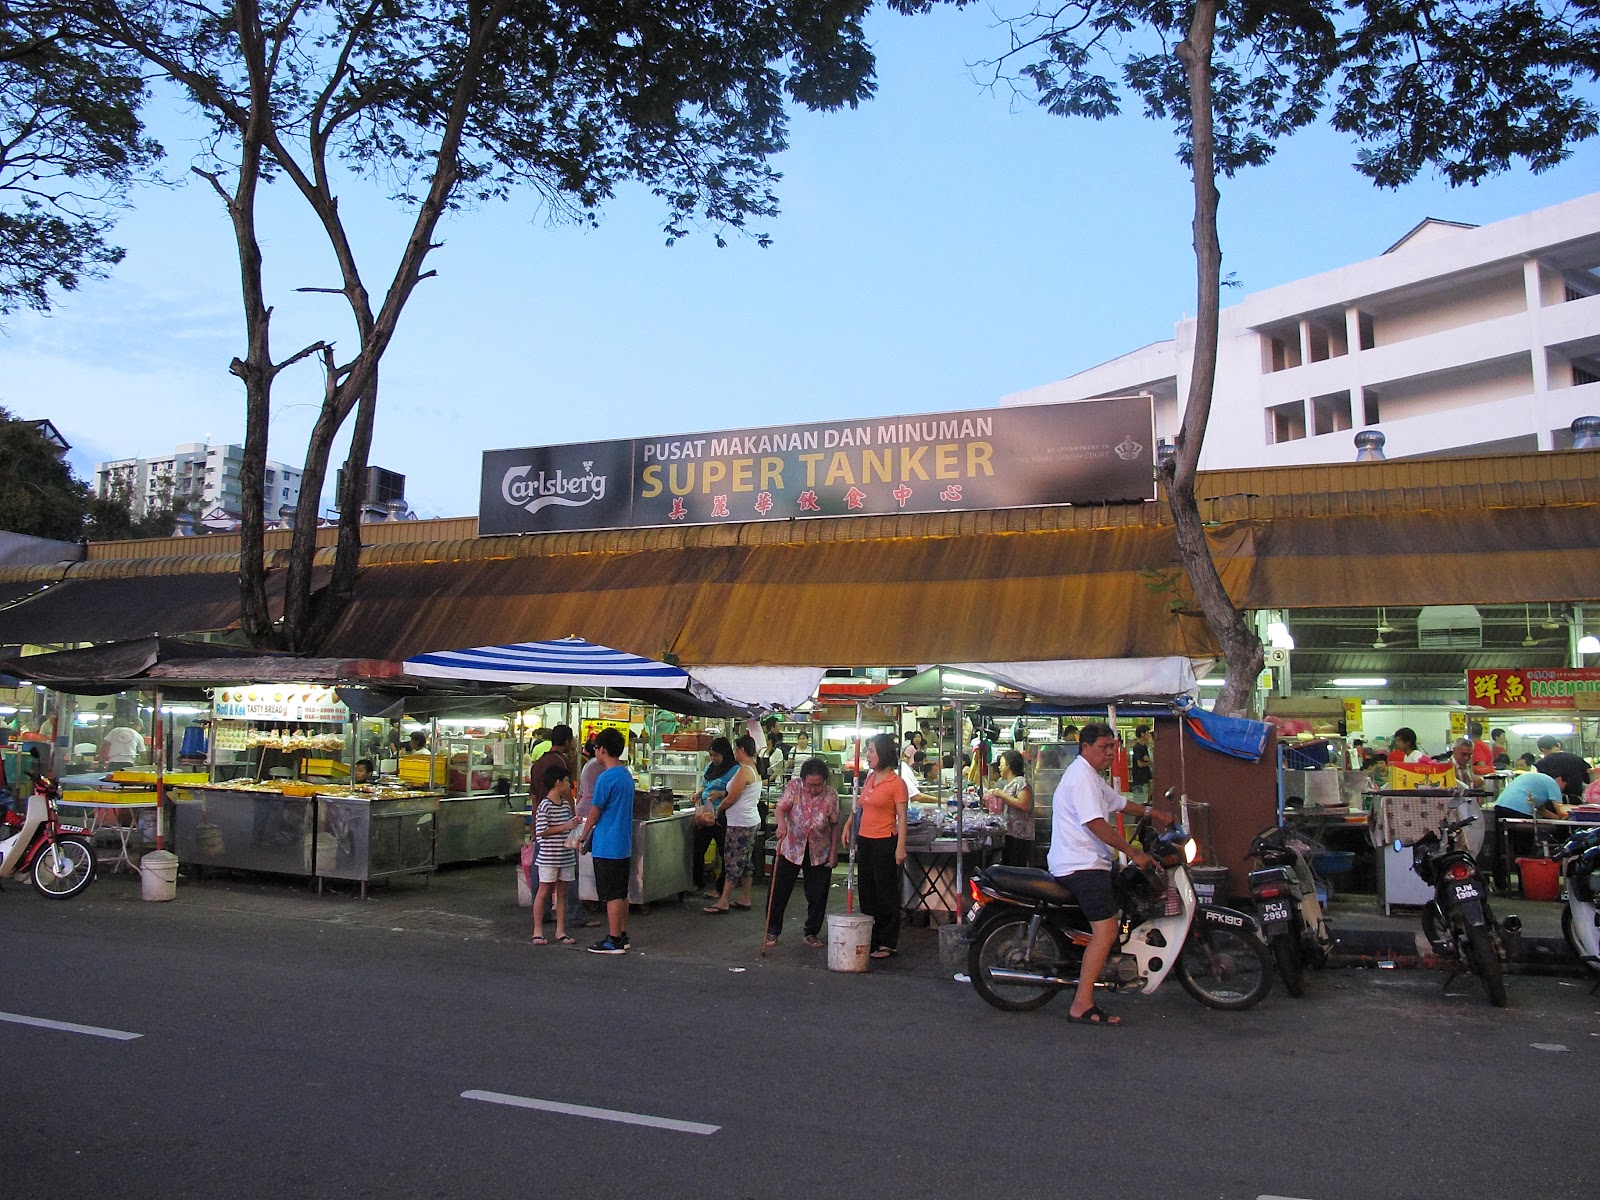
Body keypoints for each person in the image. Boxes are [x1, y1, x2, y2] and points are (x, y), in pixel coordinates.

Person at [1048, 722, 1158, 1026]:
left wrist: (1155, 813)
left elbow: (1119, 803)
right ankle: (1081, 1004)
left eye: (1112, 747)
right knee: (1107, 931)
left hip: (1089, 862)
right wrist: (1133, 851)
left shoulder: (1092, 778)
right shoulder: (1081, 777)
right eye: (1103, 747)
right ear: (1085, 747)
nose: (1110, 752)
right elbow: (1096, 823)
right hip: (1080, 865)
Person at [840, 732, 908, 960]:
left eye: (871, 751)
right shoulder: (870, 778)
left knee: (885, 892)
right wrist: (849, 825)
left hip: (884, 842)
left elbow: (902, 818)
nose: (867, 755)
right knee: (866, 891)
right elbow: (860, 806)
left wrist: (900, 847)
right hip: (865, 840)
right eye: (868, 751)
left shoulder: (896, 784)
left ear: (883, 754)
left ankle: (888, 942)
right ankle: (871, 938)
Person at [766, 757, 839, 949]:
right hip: (791, 846)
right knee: (779, 890)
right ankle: (772, 930)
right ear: (803, 780)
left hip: (819, 849)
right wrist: (781, 824)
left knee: (817, 894)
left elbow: (834, 824)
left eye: (818, 785)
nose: (813, 789)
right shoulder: (794, 787)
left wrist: (833, 852)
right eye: (809, 785)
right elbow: (780, 809)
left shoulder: (831, 795)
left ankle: (811, 932)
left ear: (824, 781)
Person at [577, 727, 634, 955]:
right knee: (621, 892)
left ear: (602, 750)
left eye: (597, 749)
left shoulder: (606, 778)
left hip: (607, 844)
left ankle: (613, 939)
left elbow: (594, 811)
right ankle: (622, 934)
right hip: (623, 843)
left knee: (611, 894)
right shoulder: (625, 774)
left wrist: (583, 836)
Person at [704, 735, 763, 913]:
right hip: (749, 820)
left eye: (736, 749)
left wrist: (718, 810)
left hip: (740, 823)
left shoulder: (745, 770)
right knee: (745, 862)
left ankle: (724, 900)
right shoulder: (752, 768)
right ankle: (745, 897)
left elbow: (732, 797)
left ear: (742, 750)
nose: (734, 752)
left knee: (733, 861)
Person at [531, 763, 581, 945]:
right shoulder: (545, 805)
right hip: (549, 856)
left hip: (565, 855)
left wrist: (574, 825)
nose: (570, 785)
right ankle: (538, 930)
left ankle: (560, 930)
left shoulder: (566, 806)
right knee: (544, 890)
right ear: (558, 782)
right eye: (567, 781)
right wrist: (566, 826)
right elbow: (541, 831)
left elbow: (567, 829)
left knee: (562, 893)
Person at [691, 737, 738, 898]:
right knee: (697, 848)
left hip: (723, 815)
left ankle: (720, 888)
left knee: (724, 852)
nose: (713, 759)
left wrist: (720, 794)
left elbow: (737, 792)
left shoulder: (735, 769)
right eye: (711, 755)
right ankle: (697, 881)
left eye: (716, 755)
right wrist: (698, 793)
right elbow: (704, 784)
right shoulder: (710, 767)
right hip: (706, 813)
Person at [985, 748, 1034, 867]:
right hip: (1009, 834)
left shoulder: (1021, 782)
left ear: (1009, 765)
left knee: (1016, 869)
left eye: (1001, 764)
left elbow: (1023, 804)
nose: (999, 768)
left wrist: (1001, 794)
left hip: (1020, 837)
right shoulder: (1008, 785)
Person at [1534, 735, 1591, 800]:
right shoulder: (1577, 759)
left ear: (1542, 749)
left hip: (1553, 803)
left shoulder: (1542, 763)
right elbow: (1589, 779)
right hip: (1576, 801)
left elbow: (1541, 786)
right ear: (1558, 745)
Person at [1129, 724, 1153, 793]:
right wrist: (1151, 762)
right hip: (1140, 779)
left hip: (1146, 777)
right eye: (1147, 733)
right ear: (1142, 734)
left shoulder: (1145, 746)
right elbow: (1140, 764)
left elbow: (1146, 757)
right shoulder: (1137, 747)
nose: (1149, 735)